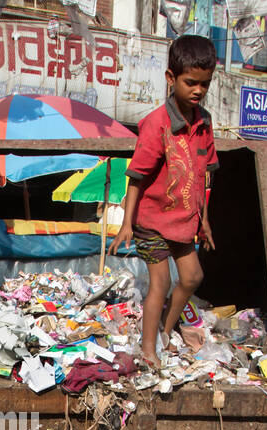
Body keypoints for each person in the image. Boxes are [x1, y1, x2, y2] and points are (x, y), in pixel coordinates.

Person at [110, 34, 219, 370]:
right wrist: (127, 224)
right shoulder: (157, 124)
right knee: (162, 281)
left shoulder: (204, 124)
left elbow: (206, 176)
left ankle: (164, 329)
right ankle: (148, 349)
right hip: (151, 221)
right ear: (171, 79)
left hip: (184, 222)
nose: (198, 90)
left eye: (205, 84)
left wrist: (204, 220)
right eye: (190, 82)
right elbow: (137, 176)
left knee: (192, 277)